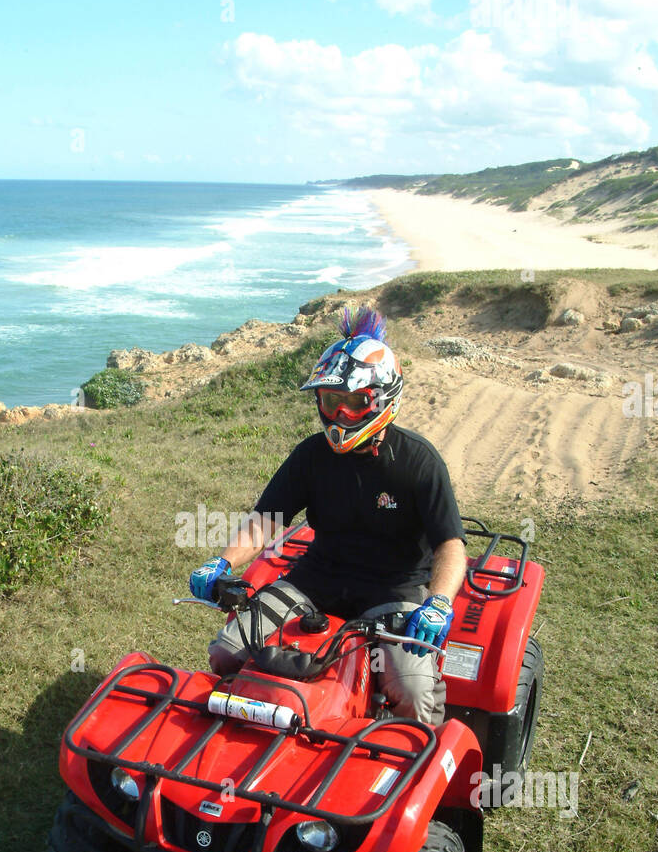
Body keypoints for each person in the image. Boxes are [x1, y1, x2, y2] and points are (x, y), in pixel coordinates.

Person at [188, 305, 467, 726]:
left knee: (413, 693)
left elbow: (450, 543)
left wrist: (440, 602)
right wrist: (222, 561)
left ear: (384, 399)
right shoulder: (311, 455)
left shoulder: (419, 461)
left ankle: (415, 766)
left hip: (394, 589)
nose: (340, 415)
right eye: (331, 400)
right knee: (226, 651)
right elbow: (266, 518)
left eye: (354, 403)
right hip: (317, 580)